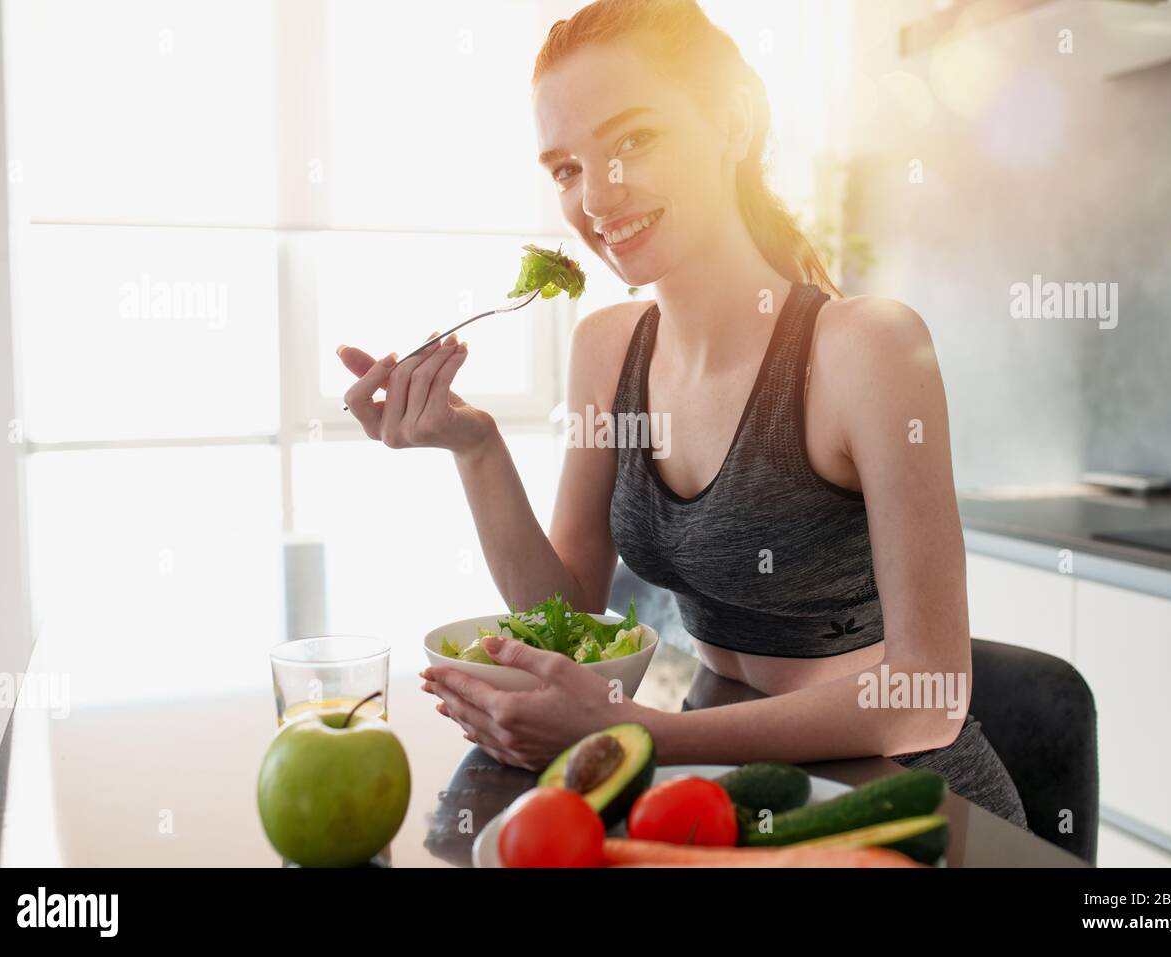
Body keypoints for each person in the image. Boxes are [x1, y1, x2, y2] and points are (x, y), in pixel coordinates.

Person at [338, 0, 1027, 828]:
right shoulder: (606, 348)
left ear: (731, 122)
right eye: (565, 168)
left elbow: (932, 693)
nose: (598, 195)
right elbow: (569, 609)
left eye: (635, 139)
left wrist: (644, 731)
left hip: (903, 796)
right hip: (724, 780)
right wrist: (476, 450)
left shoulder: (867, 348)